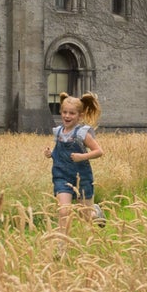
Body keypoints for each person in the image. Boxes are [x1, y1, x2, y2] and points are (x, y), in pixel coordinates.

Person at [43, 92, 105, 231]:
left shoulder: (82, 133)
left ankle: (95, 213)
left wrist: (82, 157)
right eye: (64, 112)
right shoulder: (58, 131)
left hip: (81, 177)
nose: (67, 116)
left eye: (72, 113)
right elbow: (60, 154)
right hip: (61, 176)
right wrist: (50, 154)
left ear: (80, 116)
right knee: (64, 212)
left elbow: (99, 151)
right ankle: (61, 248)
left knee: (86, 216)